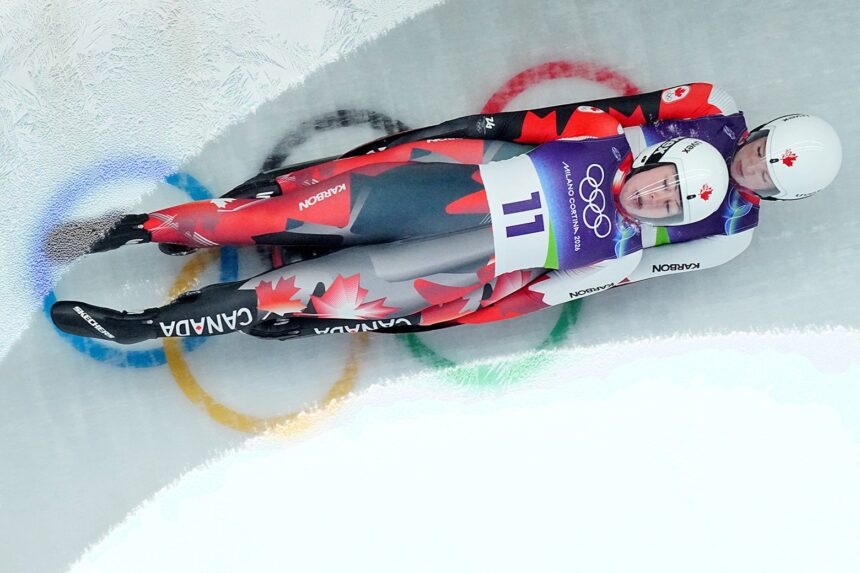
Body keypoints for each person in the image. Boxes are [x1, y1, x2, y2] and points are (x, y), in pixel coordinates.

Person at [50, 107, 730, 343]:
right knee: (265, 216)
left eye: (671, 207)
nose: (654, 199)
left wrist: (439, 314)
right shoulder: (595, 146)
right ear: (655, 158)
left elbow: (523, 295)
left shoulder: (615, 258)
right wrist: (407, 155)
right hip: (416, 194)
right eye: (663, 183)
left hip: (440, 271)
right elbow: (484, 148)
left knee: (294, 292)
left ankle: (148, 326)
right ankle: (133, 228)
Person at [228, 82, 844, 339]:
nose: (750, 166)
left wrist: (523, 298)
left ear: (777, 194)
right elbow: (604, 113)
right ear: (763, 129)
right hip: (529, 172)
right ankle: (261, 208)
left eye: (762, 175)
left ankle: (287, 306)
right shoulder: (711, 104)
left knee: (427, 296)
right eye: (759, 150)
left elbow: (631, 272)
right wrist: (487, 130)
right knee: (382, 174)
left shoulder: (730, 237)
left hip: (542, 250)